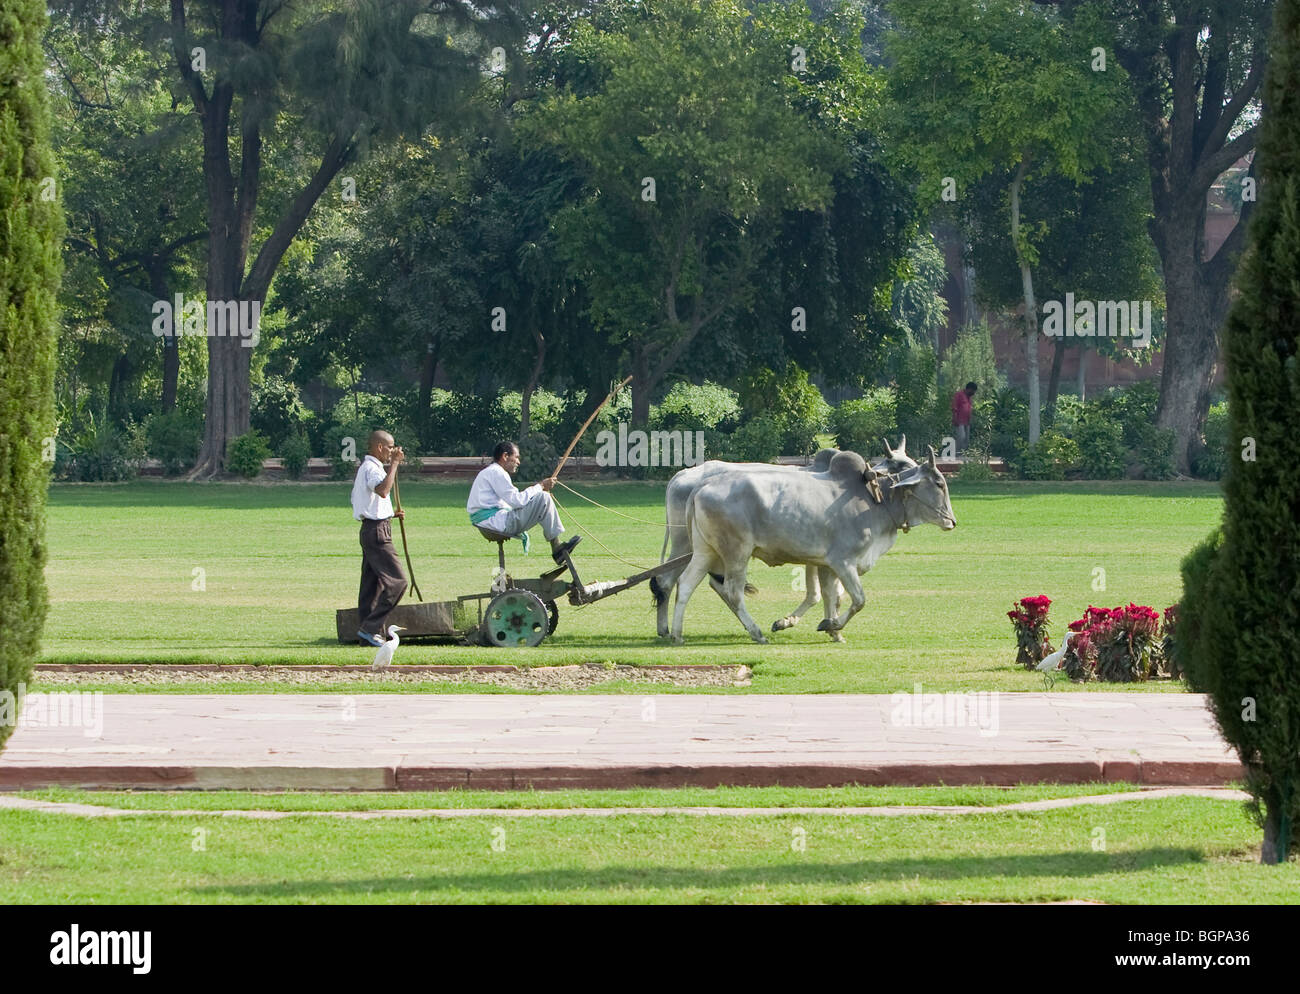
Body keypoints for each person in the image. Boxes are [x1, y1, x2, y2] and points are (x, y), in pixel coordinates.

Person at [468, 441, 579, 563]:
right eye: (516, 457)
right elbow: (517, 501)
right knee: (544, 498)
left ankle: (557, 548)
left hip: (491, 523)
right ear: (505, 456)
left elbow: (513, 501)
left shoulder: (491, 472)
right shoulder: (497, 472)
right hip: (495, 524)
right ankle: (557, 548)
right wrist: (540, 486)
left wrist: (537, 491)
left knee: (542, 498)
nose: (518, 462)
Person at [350, 429, 408, 647]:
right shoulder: (372, 468)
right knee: (398, 582)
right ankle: (370, 628)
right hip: (377, 533)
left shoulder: (366, 469)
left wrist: (390, 514)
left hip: (371, 528)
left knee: (370, 587)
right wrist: (394, 465)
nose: (393, 451)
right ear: (380, 447)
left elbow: (365, 501)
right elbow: (383, 490)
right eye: (390, 447)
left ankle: (366, 635)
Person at [952, 381, 977, 454]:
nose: (973, 393)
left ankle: (964, 454)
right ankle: (957, 453)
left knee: (966, 440)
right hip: (959, 421)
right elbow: (954, 407)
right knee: (961, 438)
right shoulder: (959, 395)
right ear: (969, 389)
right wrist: (955, 418)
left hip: (967, 422)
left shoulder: (969, 398)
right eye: (973, 391)